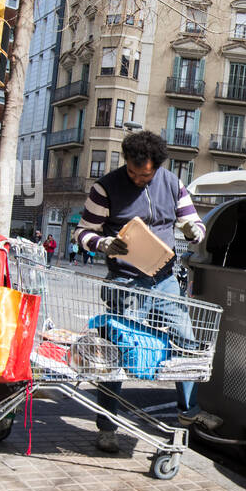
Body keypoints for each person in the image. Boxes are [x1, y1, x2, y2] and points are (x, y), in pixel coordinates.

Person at [75, 129, 220, 452]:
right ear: (125, 162)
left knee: (187, 345)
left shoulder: (173, 184)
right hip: (125, 281)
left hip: (165, 280)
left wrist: (190, 230)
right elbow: (82, 232)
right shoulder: (106, 188)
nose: (137, 178)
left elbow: (196, 226)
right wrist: (104, 244)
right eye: (131, 171)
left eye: (144, 174)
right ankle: (107, 426)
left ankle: (189, 413)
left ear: (157, 167)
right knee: (114, 355)